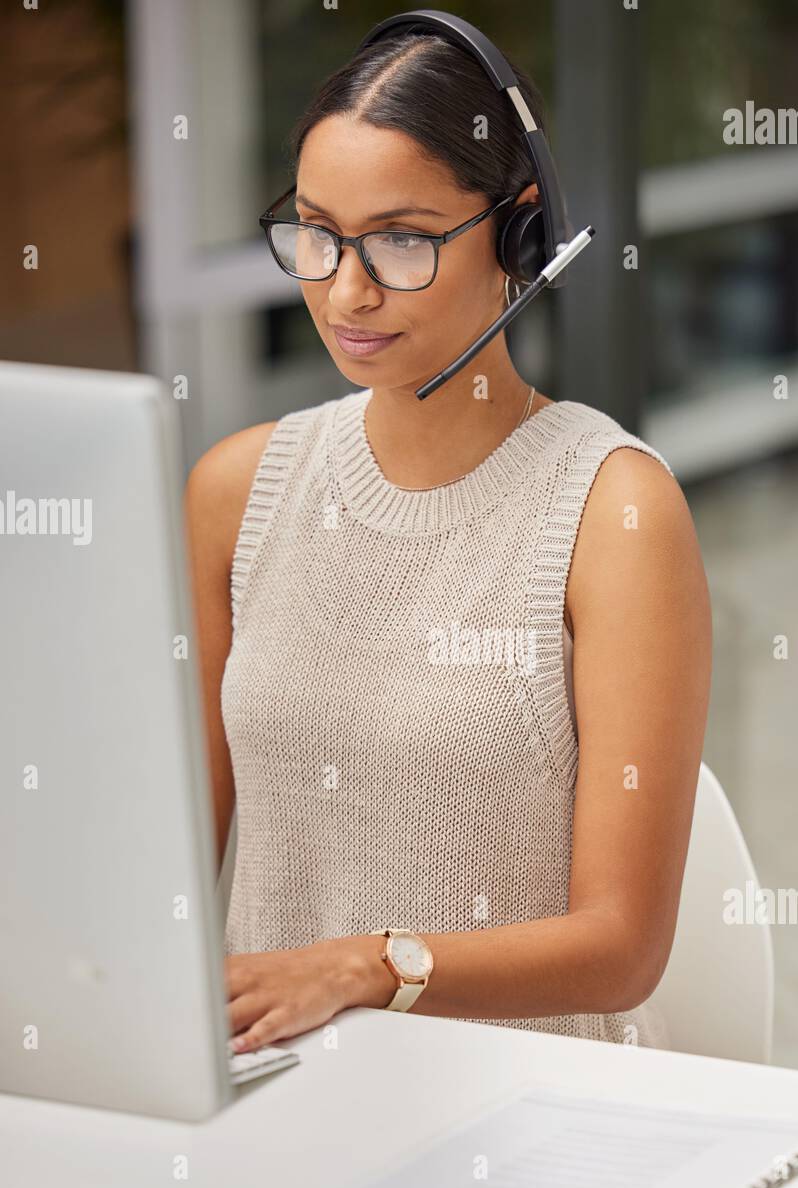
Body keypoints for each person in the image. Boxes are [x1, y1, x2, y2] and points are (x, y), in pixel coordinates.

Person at [184, 28, 711, 1055]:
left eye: (401, 240)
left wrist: (364, 968)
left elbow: (624, 948)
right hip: (281, 1102)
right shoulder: (237, 491)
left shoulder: (614, 515)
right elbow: (166, 877)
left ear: (519, 237)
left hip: (530, 1116)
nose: (346, 292)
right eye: (317, 233)